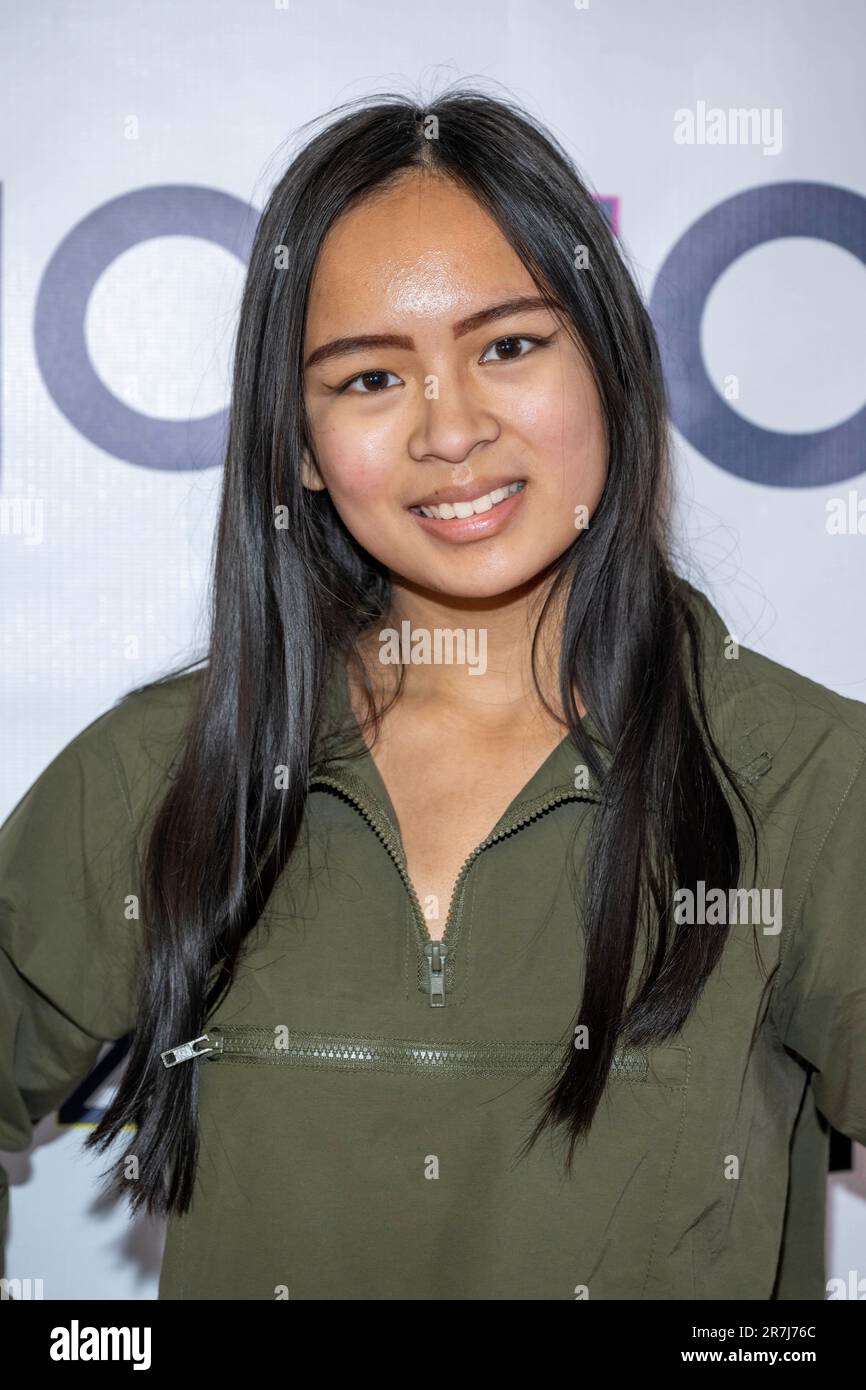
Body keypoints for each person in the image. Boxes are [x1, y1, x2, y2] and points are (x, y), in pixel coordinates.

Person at [1, 87, 865, 1302]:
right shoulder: (163, 771)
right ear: (298, 445)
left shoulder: (808, 779)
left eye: (507, 346)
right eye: (366, 379)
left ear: (610, 365)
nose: (448, 429)